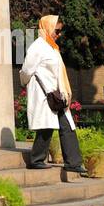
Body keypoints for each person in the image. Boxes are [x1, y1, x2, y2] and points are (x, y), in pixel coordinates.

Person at [20, 14, 87, 176]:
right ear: (47, 27)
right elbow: (26, 71)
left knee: (67, 127)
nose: (59, 34)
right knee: (46, 127)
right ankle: (37, 160)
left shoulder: (52, 47)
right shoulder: (38, 46)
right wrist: (31, 85)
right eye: (57, 30)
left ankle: (73, 162)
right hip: (44, 94)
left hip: (57, 94)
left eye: (59, 31)